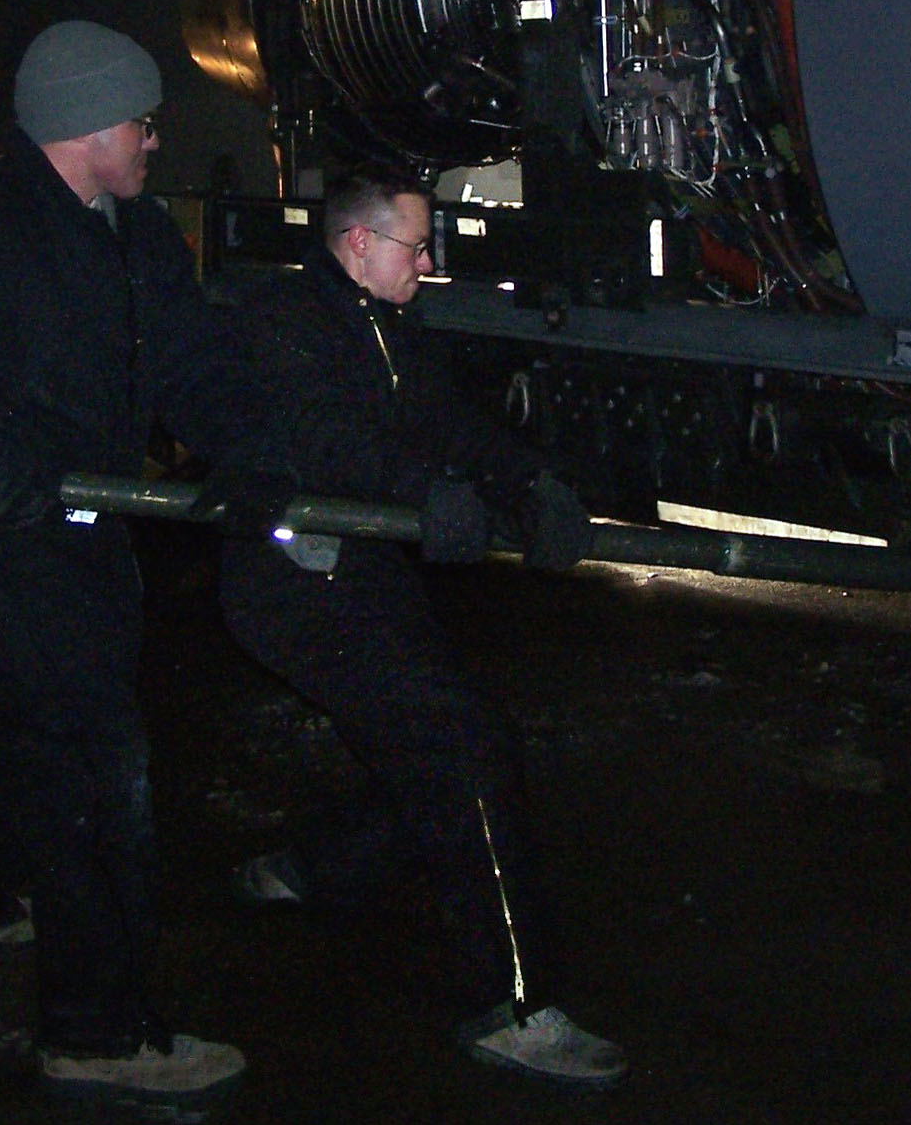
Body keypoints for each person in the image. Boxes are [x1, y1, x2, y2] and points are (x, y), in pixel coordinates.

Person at [0, 20, 258, 1100]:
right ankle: (97, 1033)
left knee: (22, 739)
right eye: (142, 122)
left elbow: (190, 361)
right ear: (85, 126)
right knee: (87, 773)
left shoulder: (136, 234)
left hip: (91, 540)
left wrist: (246, 454)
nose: (155, 142)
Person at [217, 170, 624, 1089]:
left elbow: (448, 426)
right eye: (415, 245)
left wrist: (532, 482)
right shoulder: (285, 320)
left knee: (457, 743)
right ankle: (513, 1004)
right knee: (456, 745)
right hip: (294, 582)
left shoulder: (392, 325)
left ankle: (314, 867)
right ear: (357, 244)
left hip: (362, 578)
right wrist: (421, 493)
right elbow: (320, 436)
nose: (429, 262)